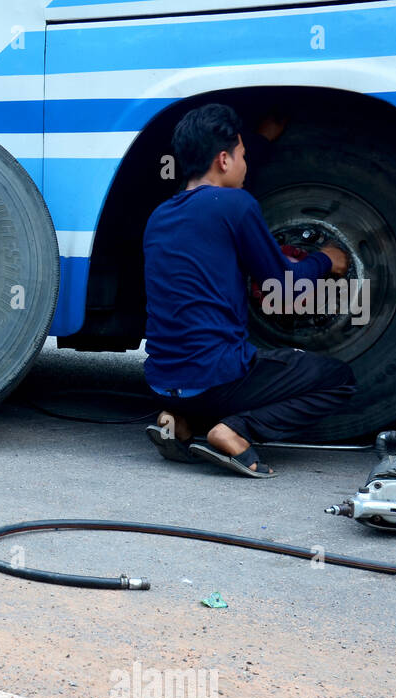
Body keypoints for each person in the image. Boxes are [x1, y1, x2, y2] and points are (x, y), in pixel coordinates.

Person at [142, 103, 358, 477]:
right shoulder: (236, 204)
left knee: (209, 374)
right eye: (243, 155)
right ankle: (236, 430)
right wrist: (325, 259)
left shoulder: (160, 216)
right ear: (223, 160)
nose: (247, 164)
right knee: (338, 380)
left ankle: (179, 420)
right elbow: (284, 288)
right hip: (218, 379)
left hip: (160, 382)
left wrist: (259, 141)